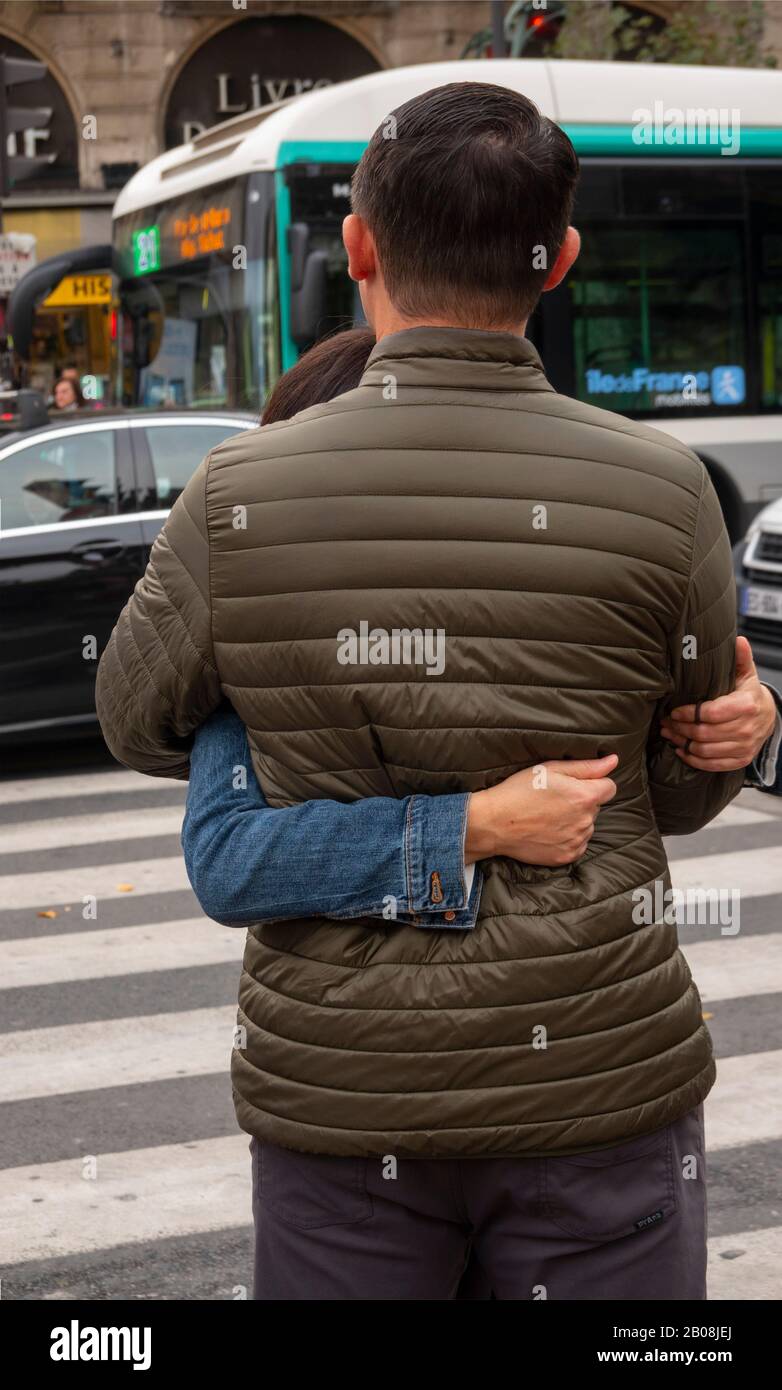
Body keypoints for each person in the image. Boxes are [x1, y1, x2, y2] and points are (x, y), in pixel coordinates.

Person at [95, 81, 780, 1301]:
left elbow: (134, 717)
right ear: (560, 258)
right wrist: (735, 730)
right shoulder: (668, 489)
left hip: (346, 1106)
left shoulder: (235, 495)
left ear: (356, 245)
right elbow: (673, 791)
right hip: (595, 1086)